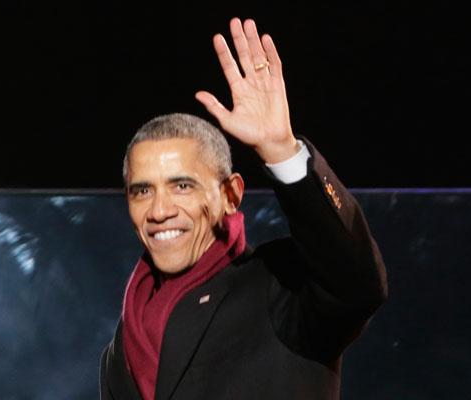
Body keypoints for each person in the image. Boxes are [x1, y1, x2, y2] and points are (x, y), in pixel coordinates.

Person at [99, 18, 388, 400]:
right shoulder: (121, 346)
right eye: (142, 191)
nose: (159, 210)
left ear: (231, 195)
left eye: (182, 186)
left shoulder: (282, 287)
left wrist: (281, 149)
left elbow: (359, 284)